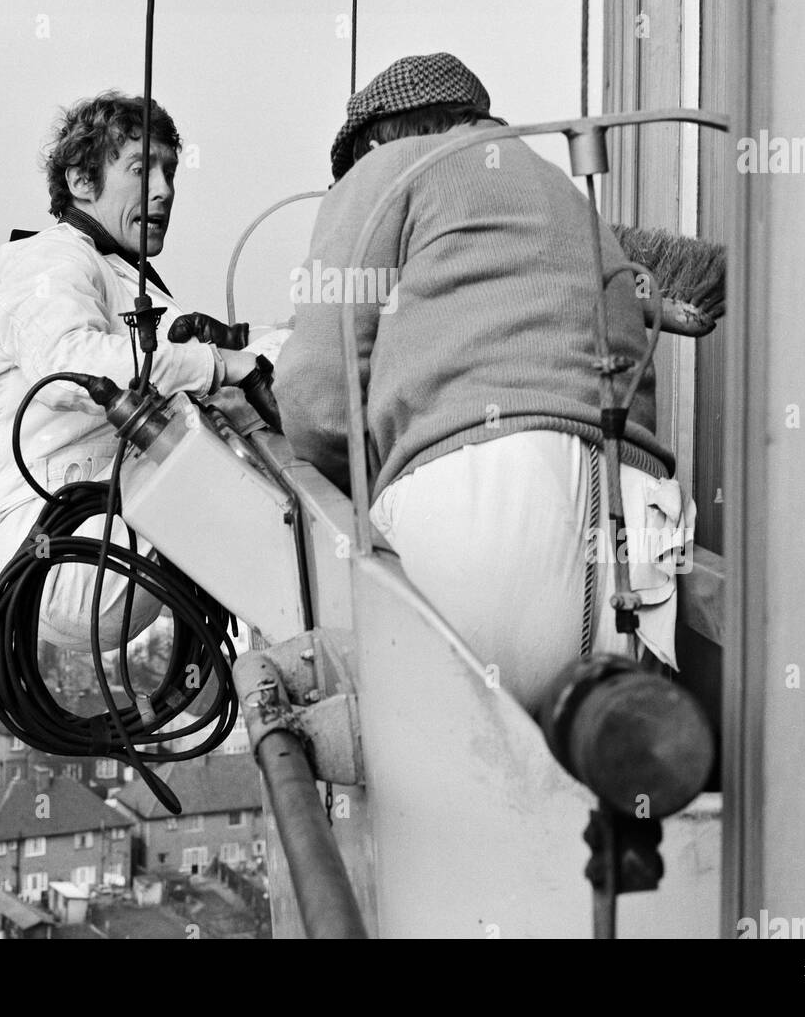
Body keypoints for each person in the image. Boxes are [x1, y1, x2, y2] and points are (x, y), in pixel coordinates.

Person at [274, 53, 694, 715]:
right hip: (638, 519)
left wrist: (345, 479)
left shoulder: (389, 171)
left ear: (378, 139)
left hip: (482, 502)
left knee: (448, 781)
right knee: (598, 794)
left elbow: (317, 399)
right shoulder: (560, 187)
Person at [0, 90, 260, 651]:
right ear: (81, 182)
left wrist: (264, 353)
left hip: (97, 548)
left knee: (242, 426)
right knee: (256, 457)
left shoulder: (116, 273)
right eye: (141, 170)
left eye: (169, 171)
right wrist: (219, 365)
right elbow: (71, 365)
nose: (164, 189)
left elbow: (169, 367)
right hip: (57, 554)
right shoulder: (45, 260)